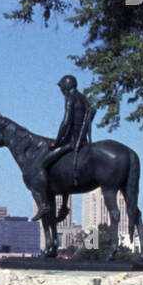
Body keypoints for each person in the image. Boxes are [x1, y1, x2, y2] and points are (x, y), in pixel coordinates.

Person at [31, 75, 94, 223]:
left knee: (42, 165)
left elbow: (66, 122)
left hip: (71, 142)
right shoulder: (83, 98)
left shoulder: (71, 98)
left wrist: (57, 141)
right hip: (82, 140)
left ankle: (45, 204)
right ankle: (64, 206)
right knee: (62, 170)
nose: (61, 91)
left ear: (67, 86)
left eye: (61, 88)